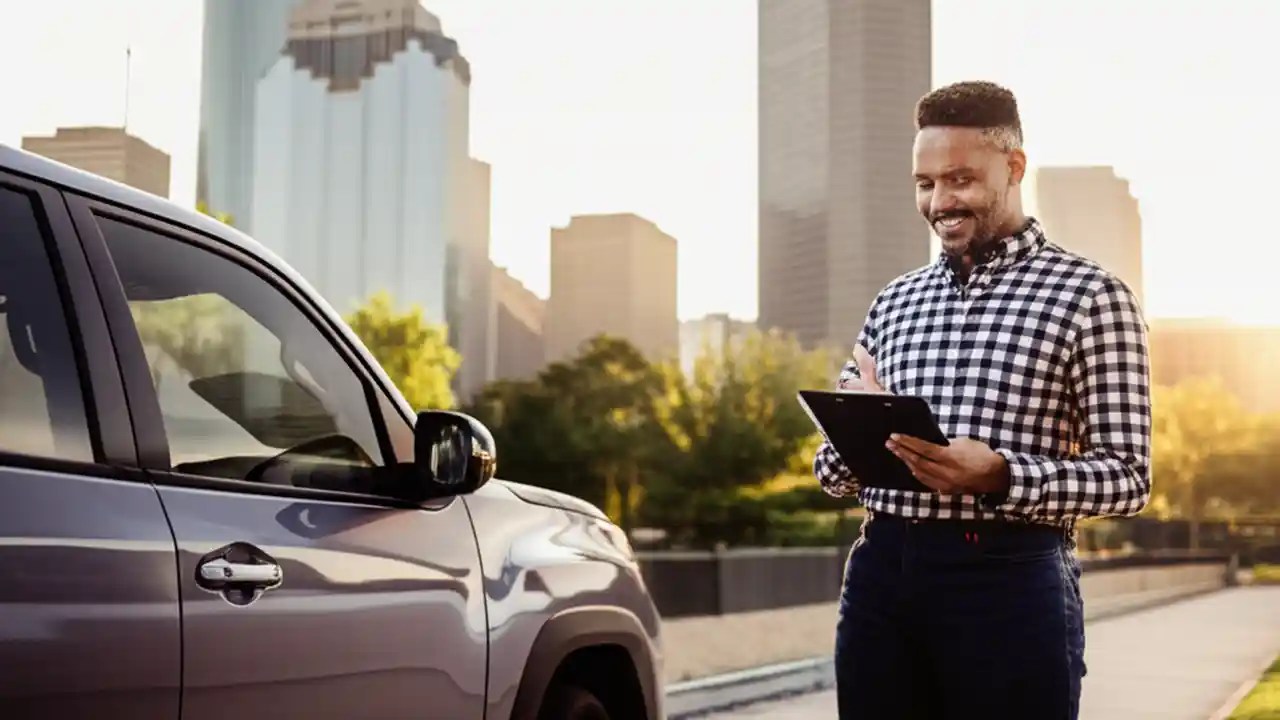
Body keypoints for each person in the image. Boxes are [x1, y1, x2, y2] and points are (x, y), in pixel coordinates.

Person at [814, 80, 1152, 719]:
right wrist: (859, 425)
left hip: (1010, 580)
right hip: (882, 573)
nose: (940, 201)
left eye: (960, 180)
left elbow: (1128, 478)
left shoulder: (1093, 298)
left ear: (1014, 167)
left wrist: (1001, 475)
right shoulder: (894, 302)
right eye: (925, 183)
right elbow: (831, 476)